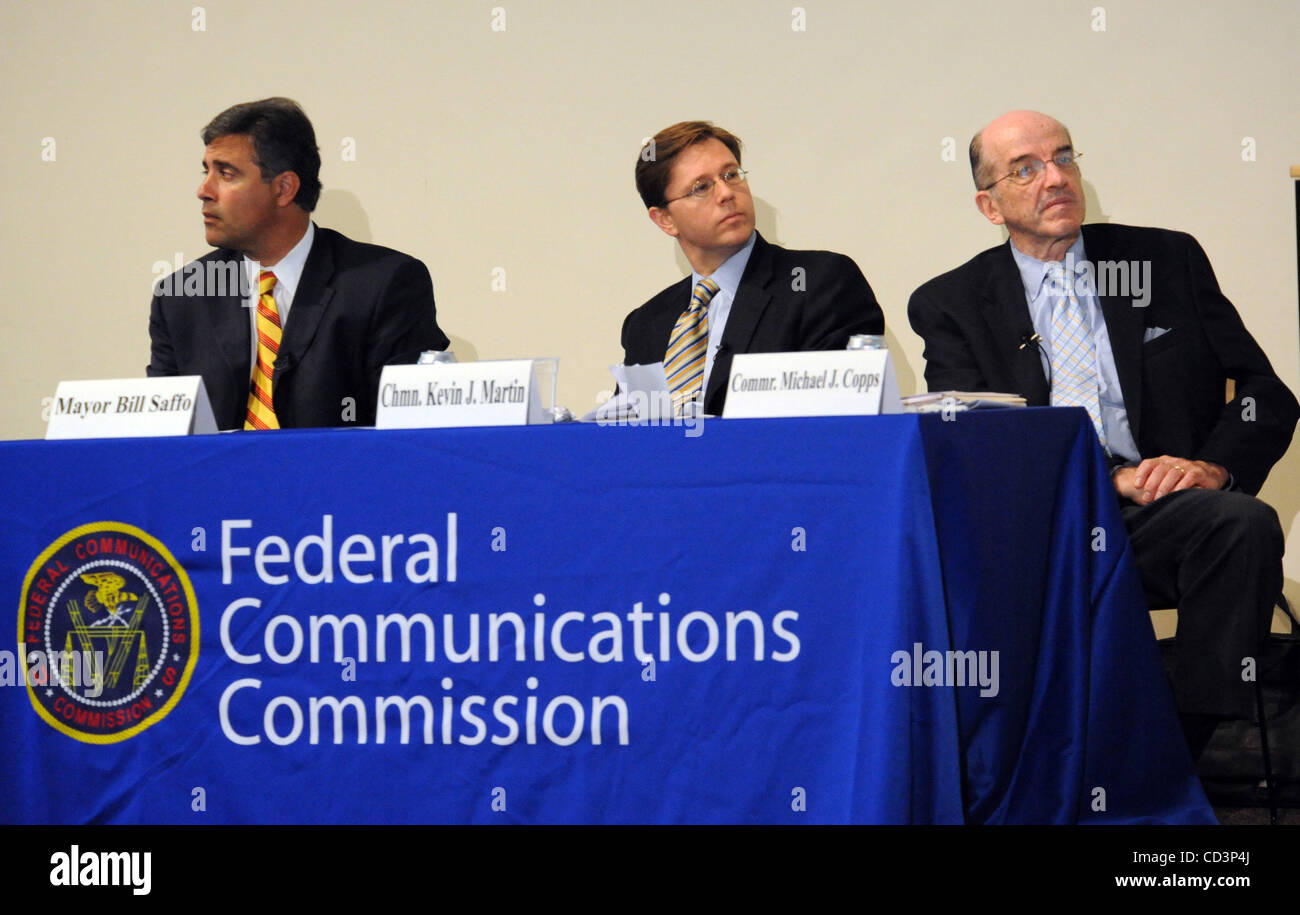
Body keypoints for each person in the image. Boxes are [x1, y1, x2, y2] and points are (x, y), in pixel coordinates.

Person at [908, 110, 1299, 744]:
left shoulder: (1164, 259)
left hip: (1160, 512)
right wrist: (1102, 480)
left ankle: (1178, 750)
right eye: (1026, 169)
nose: (1056, 178)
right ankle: (1013, 770)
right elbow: (972, 442)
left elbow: (1266, 393)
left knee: (1241, 524)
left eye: (1064, 158)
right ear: (989, 205)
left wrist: (1211, 468)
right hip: (1043, 520)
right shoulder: (950, 301)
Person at [147, 97, 449, 429]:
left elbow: (412, 433)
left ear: (284, 188)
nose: (203, 190)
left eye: (226, 173)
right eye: (207, 172)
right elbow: (165, 435)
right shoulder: (182, 297)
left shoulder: (384, 285)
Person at [621, 121, 883, 416]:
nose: (726, 193)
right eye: (701, 187)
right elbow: (625, 434)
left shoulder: (820, 283)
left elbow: (840, 417)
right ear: (664, 219)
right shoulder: (645, 324)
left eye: (731, 175)